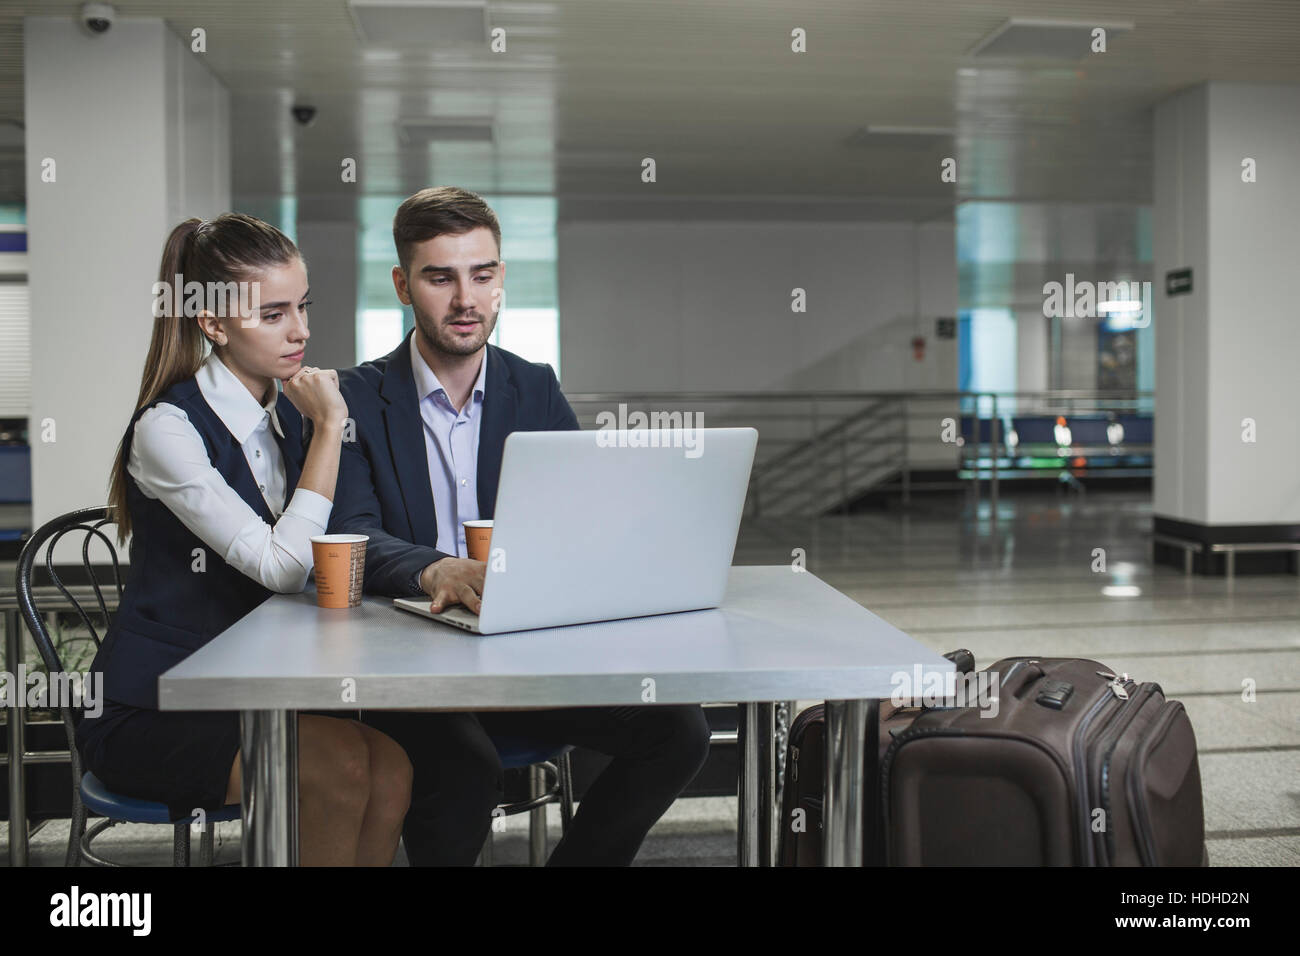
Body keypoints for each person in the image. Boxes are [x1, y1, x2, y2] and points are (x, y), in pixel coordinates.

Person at [329, 186, 711, 866]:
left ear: (501, 279)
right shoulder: (356, 397)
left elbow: (583, 517)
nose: (465, 298)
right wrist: (437, 567)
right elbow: (353, 534)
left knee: (678, 730)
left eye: (482, 275)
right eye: (440, 277)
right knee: (465, 767)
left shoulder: (533, 386)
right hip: (408, 671)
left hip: (519, 657)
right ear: (402, 284)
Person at [78, 213, 412, 866]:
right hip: (153, 706)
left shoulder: (286, 418)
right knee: (341, 767)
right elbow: (283, 567)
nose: (302, 331)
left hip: (253, 695)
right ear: (213, 323)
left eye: (303, 307)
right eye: (274, 314)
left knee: (393, 767)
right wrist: (331, 427)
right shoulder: (168, 430)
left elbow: (331, 547)